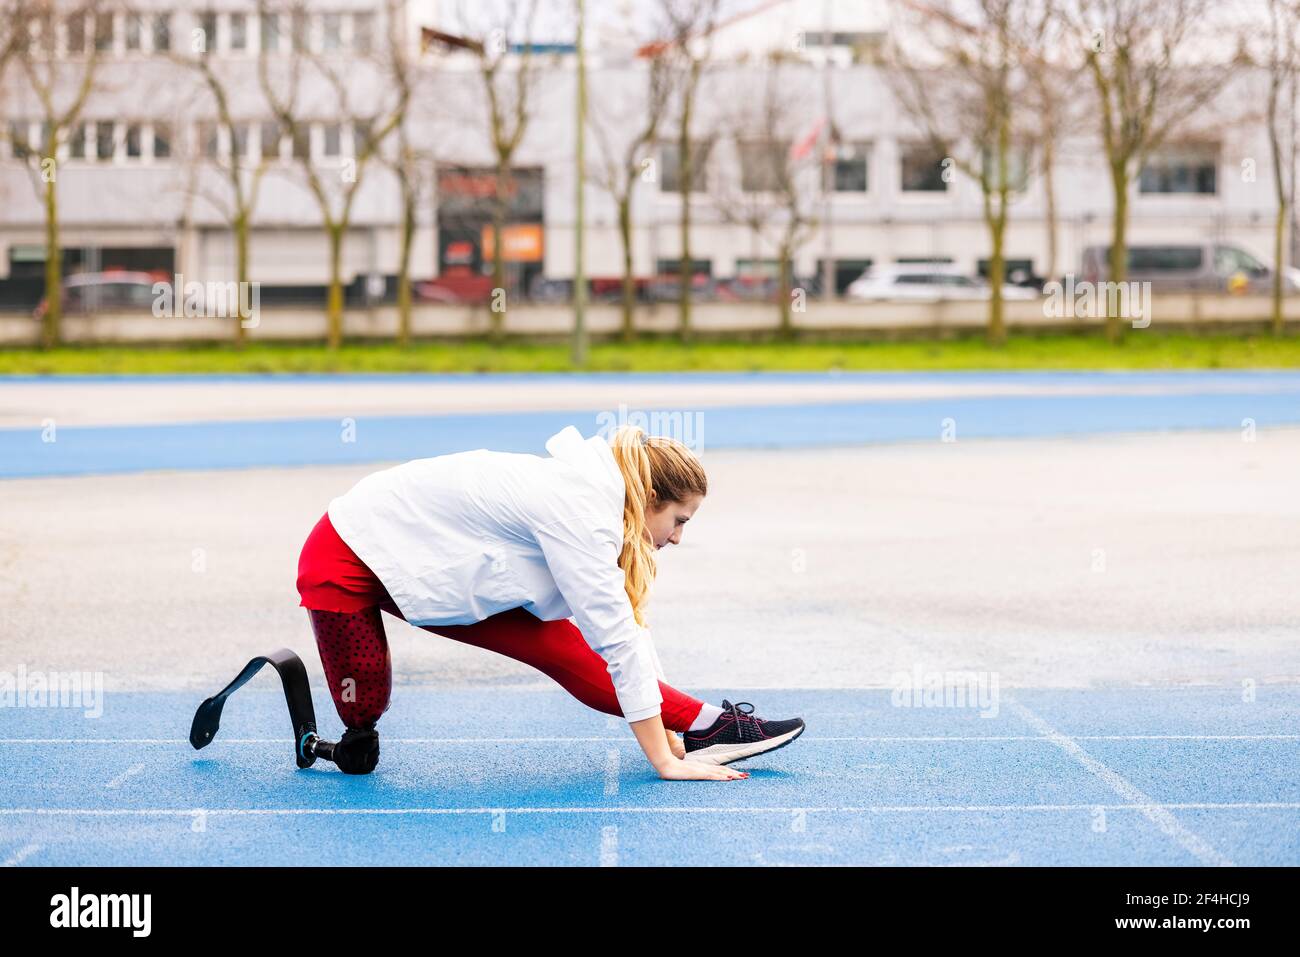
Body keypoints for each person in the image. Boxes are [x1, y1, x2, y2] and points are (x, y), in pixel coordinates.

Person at [294, 422, 805, 780]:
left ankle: (707, 724)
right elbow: (617, 642)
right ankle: (709, 724)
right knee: (362, 710)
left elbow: (629, 629)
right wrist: (665, 763)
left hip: (417, 551)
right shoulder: (581, 511)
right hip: (345, 557)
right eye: (679, 522)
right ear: (651, 500)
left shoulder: (605, 498)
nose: (676, 539)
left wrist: (674, 729)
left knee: (565, 652)